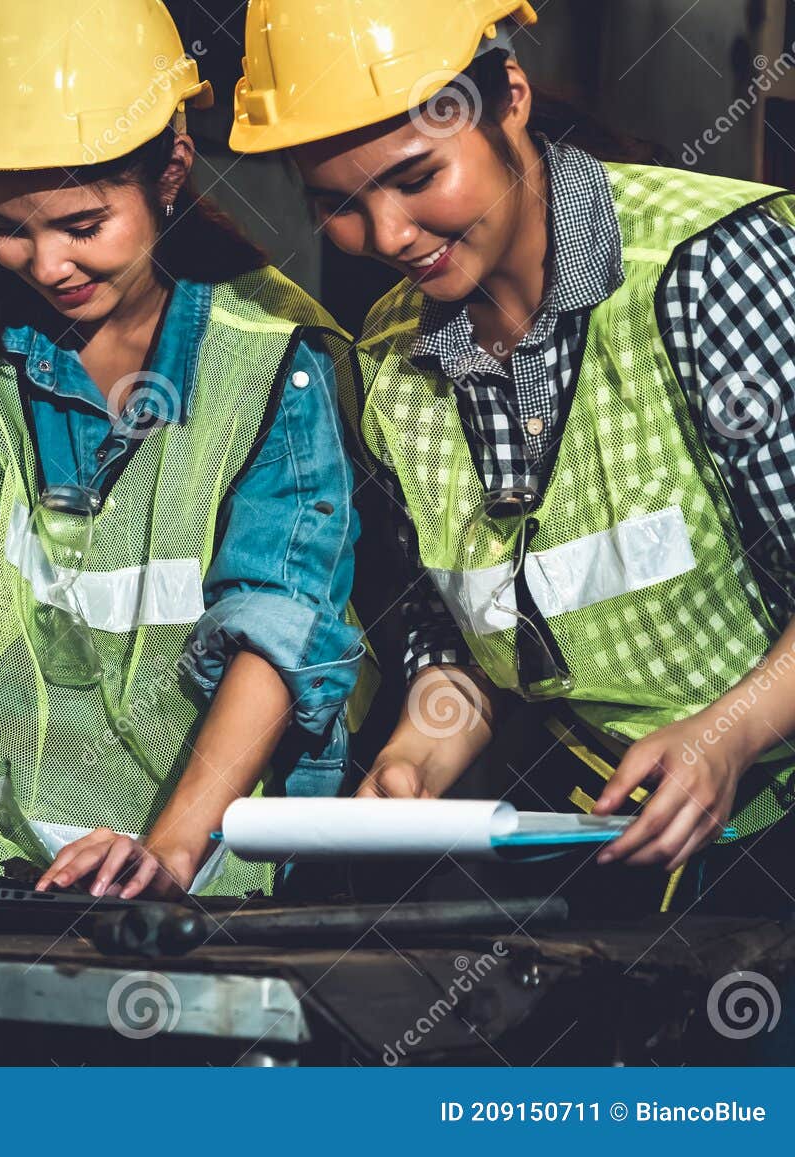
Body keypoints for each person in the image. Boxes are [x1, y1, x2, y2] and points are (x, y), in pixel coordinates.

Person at [229, 0, 795, 917]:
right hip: (610, 838)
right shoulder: (393, 359)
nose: (389, 236)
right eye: (338, 204)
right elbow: (471, 631)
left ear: (510, 101)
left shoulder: (704, 268)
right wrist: (419, 750)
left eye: (418, 176)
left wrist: (728, 734)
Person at [0, 0, 369, 901]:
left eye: (83, 225)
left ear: (172, 167)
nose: (47, 264)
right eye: (7, 227)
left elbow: (282, 621)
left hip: (203, 883)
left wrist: (167, 856)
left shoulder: (272, 351)